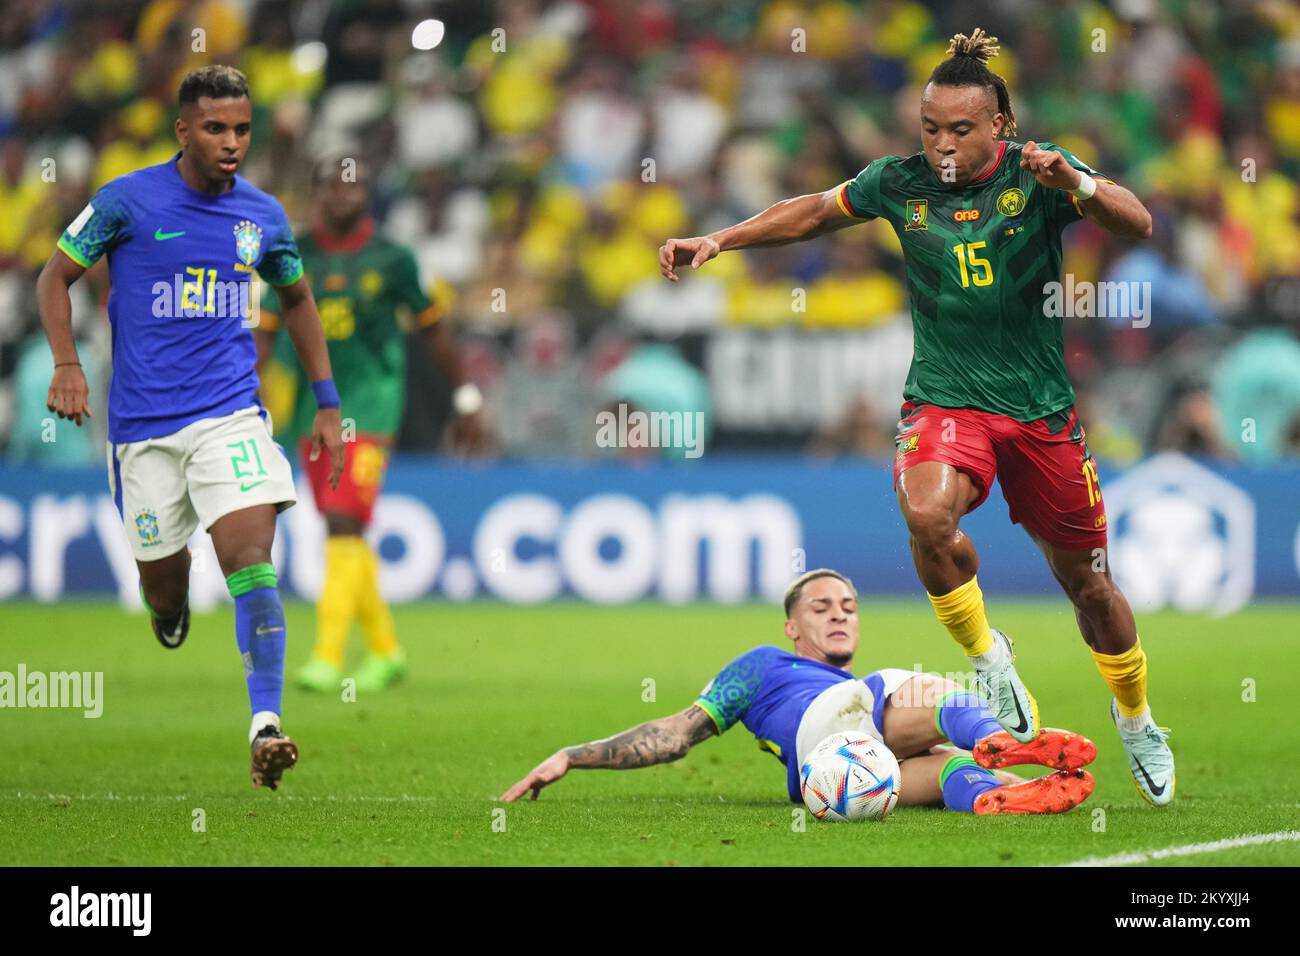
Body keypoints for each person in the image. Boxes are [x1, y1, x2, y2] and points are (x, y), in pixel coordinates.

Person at [657, 29, 1175, 807]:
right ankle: (989, 659)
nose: (941, 145)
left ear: (998, 126)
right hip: (945, 398)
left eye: (959, 130)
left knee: (1091, 589)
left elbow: (1139, 224)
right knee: (927, 514)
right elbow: (811, 214)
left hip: (1040, 414)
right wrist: (720, 240)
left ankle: (1135, 717)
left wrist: (1081, 183)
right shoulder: (898, 184)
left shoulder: (1040, 175)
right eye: (930, 128)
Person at [36, 65, 345, 790]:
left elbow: (298, 300)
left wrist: (327, 402)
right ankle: (167, 612)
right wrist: (66, 364)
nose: (232, 141)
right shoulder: (126, 201)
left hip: (229, 416)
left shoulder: (263, 216)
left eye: (241, 127)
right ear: (184, 131)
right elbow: (53, 277)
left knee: (249, 557)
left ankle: (264, 726)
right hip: (142, 432)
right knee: (167, 589)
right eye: (215, 128)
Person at [502, 569, 1096, 816]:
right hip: (832, 723)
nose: (839, 616)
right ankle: (1002, 734)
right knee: (922, 688)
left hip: (838, 784)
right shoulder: (764, 665)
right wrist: (573, 754)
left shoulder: (854, 691)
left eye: (849, 608)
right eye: (821, 607)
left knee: (949, 770)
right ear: (792, 627)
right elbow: (678, 732)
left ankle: (1009, 793)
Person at [256, 156, 485, 692]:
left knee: (340, 521)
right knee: (346, 528)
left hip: (373, 408)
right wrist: (245, 393)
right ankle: (385, 650)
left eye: (354, 184)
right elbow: (264, 333)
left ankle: (327, 655)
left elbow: (435, 331)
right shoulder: (294, 255)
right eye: (333, 184)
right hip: (312, 411)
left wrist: (467, 398)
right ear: (316, 193)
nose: (343, 193)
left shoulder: (395, 258)